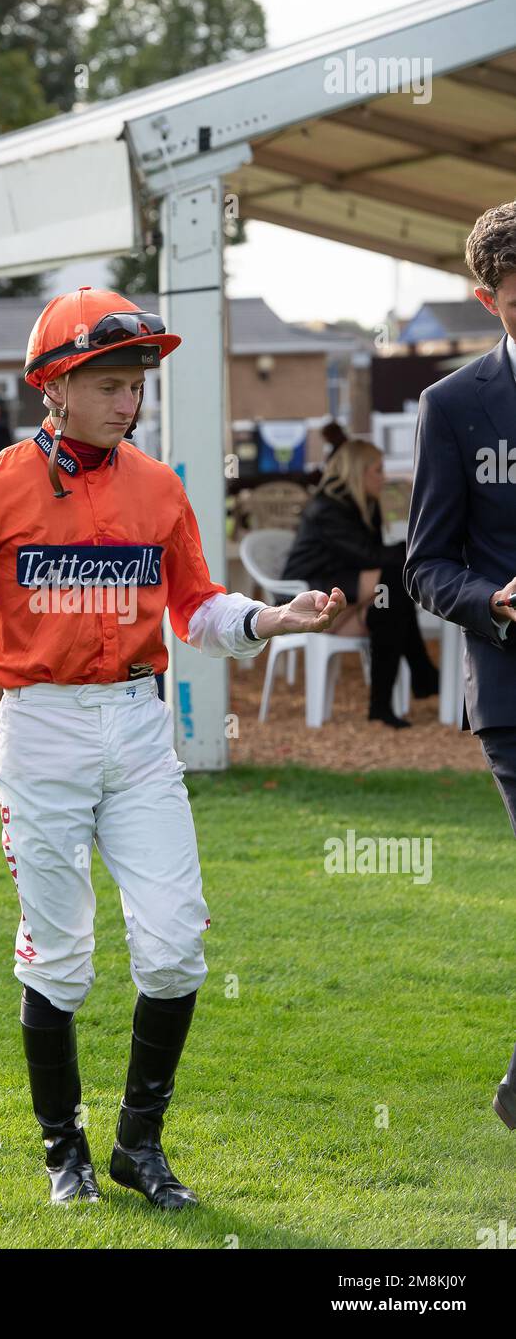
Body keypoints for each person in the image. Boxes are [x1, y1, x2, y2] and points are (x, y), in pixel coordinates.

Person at [0, 286, 346, 1208]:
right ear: (54, 387)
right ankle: (63, 1150)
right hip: (42, 730)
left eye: (137, 381)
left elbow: (197, 609)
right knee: (61, 958)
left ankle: (138, 1147)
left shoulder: (160, 486)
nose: (129, 399)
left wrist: (275, 616)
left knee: (178, 946)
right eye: (109, 381)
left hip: (141, 730)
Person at [405, 199, 516, 1132]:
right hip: (514, 689)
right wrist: (494, 601)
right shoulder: (453, 407)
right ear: (488, 298)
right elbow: (426, 567)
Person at [284, 439, 438, 728]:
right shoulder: (328, 508)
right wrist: (417, 548)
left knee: (390, 599)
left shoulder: (362, 504)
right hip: (310, 586)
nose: (384, 477)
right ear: (359, 471)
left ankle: (393, 696)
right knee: (392, 582)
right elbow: (369, 556)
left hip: (346, 582)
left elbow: (372, 557)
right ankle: (419, 676)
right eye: (378, 470)